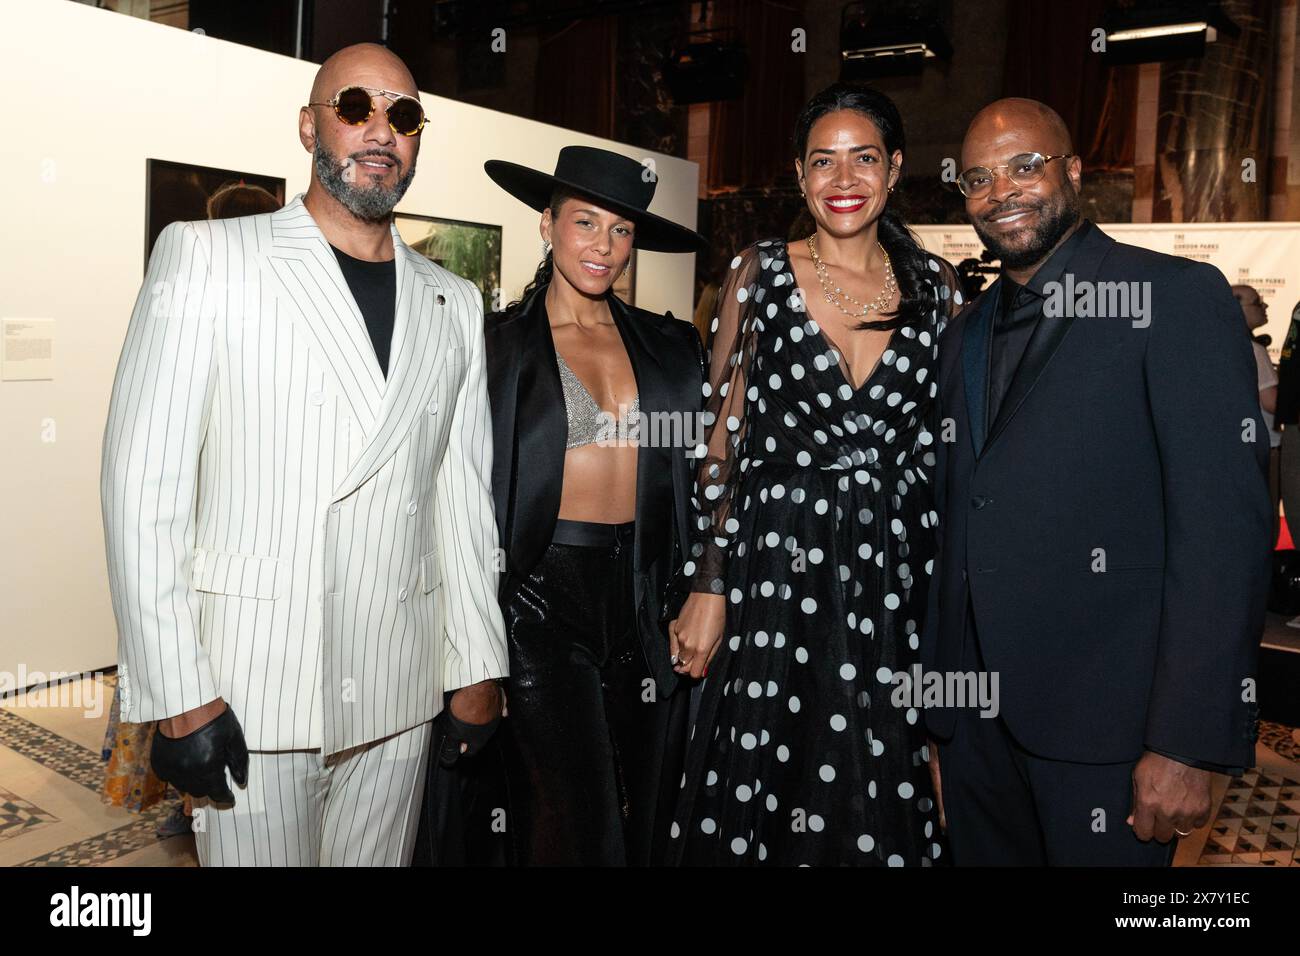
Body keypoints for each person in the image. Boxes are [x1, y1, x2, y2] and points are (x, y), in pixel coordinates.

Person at [99, 43, 508, 866]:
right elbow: (142, 490)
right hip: (252, 685)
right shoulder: (209, 258)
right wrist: (178, 694)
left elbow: (460, 499)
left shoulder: (453, 301)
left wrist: (477, 663)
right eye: (354, 107)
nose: (380, 130)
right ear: (307, 124)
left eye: (403, 115)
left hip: (397, 683)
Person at [923, 97, 1270, 866]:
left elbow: (1222, 535)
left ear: (1074, 171)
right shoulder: (963, 334)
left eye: (1024, 166)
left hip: (1114, 735)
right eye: (978, 179)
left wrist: (1187, 741)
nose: (1000, 192)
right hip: (976, 731)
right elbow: (959, 523)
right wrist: (941, 726)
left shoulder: (1175, 297)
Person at [668, 84, 960, 865]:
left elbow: (941, 450)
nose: (844, 177)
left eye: (863, 157)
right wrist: (709, 579)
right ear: (800, 178)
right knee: (770, 765)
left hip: (896, 569)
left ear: (895, 169)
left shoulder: (936, 287)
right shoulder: (759, 273)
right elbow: (722, 437)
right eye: (822, 160)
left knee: (882, 767)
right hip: (775, 564)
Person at [470, 146, 705, 865]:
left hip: (643, 597)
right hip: (540, 602)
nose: (604, 247)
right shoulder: (496, 347)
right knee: (579, 820)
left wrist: (699, 587)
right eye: (585, 222)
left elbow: (705, 479)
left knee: (651, 815)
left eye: (622, 230)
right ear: (547, 224)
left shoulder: (671, 345)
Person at [100, 182, 284, 840]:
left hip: (212, 558)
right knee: (185, 680)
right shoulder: (202, 287)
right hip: (205, 557)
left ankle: (186, 798)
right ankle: (191, 798)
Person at [1233, 285, 1280, 542]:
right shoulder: (1255, 351)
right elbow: (1272, 402)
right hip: (1267, 447)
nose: (1265, 306)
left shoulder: (1220, 346)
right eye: (1257, 302)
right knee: (1267, 515)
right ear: (1236, 309)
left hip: (1240, 447)